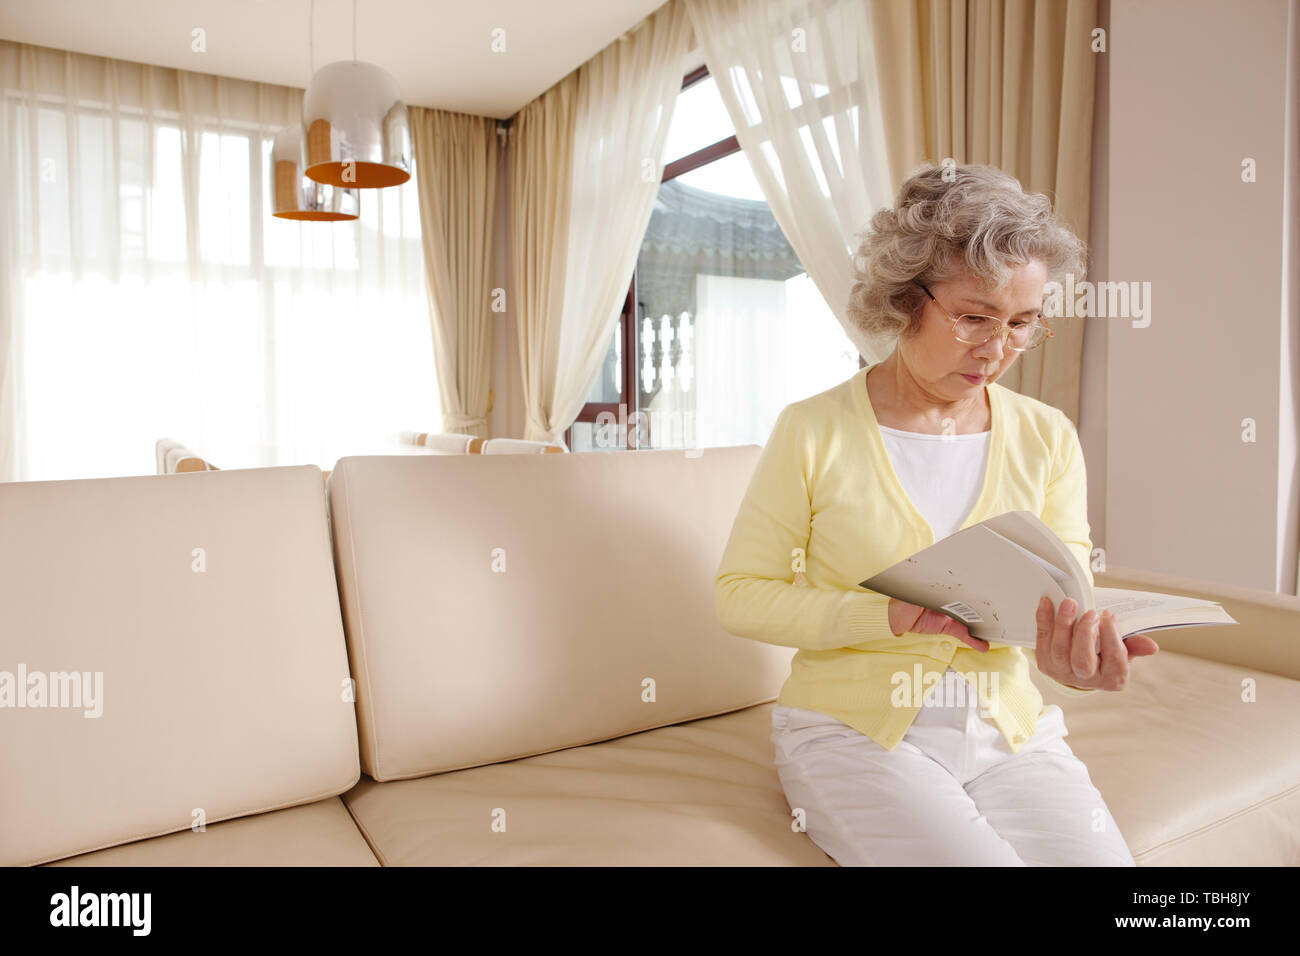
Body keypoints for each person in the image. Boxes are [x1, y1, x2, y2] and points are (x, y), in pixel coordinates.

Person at [713, 162, 1158, 866]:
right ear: (902, 300)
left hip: (1011, 735)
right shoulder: (813, 430)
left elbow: (1062, 590)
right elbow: (740, 596)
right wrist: (885, 616)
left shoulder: (1047, 437)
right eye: (975, 317)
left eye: (1021, 324)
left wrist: (1072, 657)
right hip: (849, 732)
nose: (997, 349)